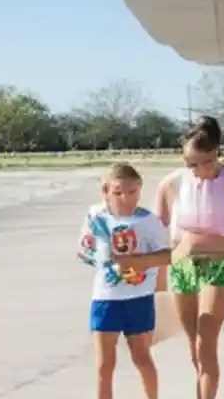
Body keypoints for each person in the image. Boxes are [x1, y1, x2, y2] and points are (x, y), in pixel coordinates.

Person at [154, 116, 224, 399]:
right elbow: (157, 237)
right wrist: (155, 282)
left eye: (205, 161)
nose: (199, 169)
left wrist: (195, 241)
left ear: (217, 151)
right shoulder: (171, 185)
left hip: (220, 264)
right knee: (193, 344)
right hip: (182, 267)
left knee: (206, 343)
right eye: (191, 163)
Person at [78, 162, 172, 399]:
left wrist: (138, 262)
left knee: (141, 357)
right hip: (105, 297)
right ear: (105, 191)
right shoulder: (96, 216)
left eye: (132, 192)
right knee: (104, 364)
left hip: (138, 297)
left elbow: (168, 255)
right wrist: (100, 257)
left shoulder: (148, 220)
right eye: (117, 192)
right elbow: (83, 249)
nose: (125, 198)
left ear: (140, 189)